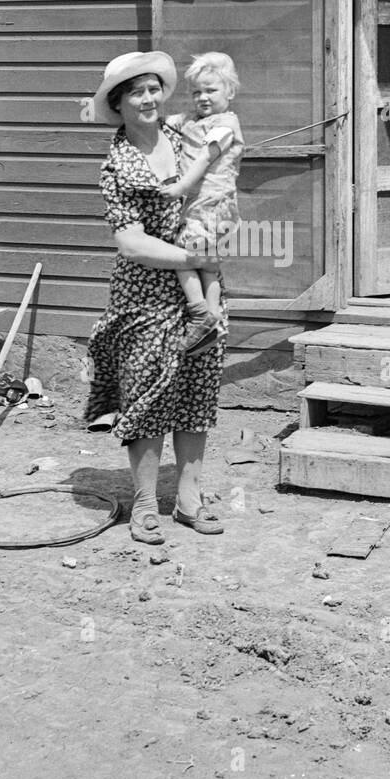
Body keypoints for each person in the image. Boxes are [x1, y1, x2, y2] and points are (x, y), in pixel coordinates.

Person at [84, 50, 226, 543]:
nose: (147, 99)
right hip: (144, 295)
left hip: (202, 292)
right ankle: (145, 502)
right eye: (135, 92)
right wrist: (196, 260)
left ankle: (189, 500)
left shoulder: (183, 134)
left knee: (195, 390)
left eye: (153, 89)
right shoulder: (117, 164)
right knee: (146, 396)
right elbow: (131, 242)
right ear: (118, 104)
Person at [159, 52, 244, 354]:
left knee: (182, 255)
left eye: (211, 90)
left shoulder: (226, 125)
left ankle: (199, 313)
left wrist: (181, 185)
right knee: (208, 267)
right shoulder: (191, 120)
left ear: (230, 91)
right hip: (200, 206)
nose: (203, 97)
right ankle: (214, 321)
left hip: (213, 205)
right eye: (197, 92)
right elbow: (158, 120)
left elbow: (207, 157)